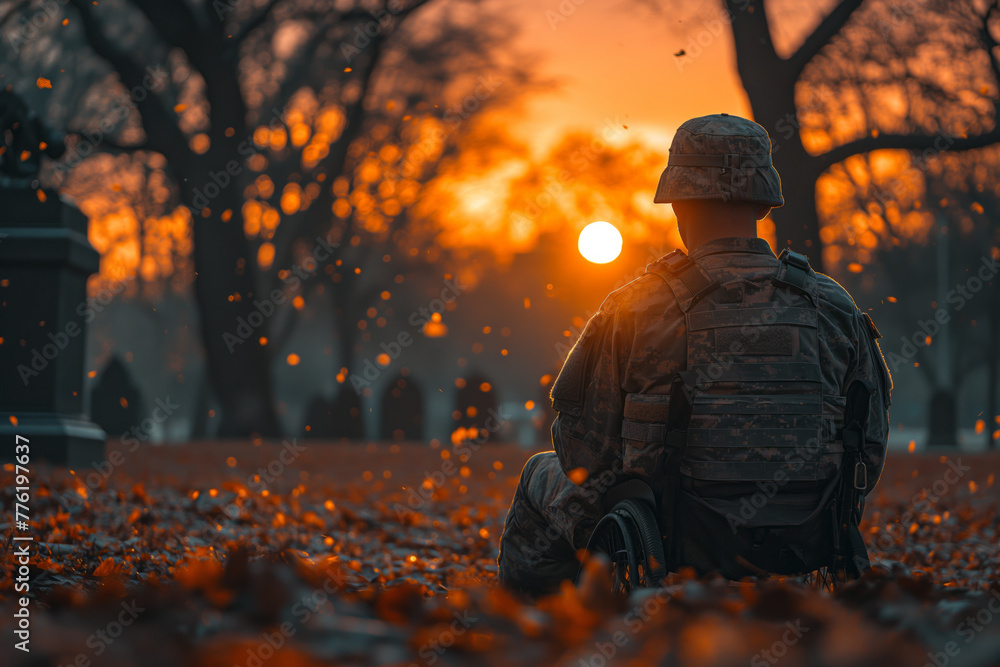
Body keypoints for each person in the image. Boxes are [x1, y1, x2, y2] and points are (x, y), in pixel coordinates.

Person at [497, 113, 892, 597]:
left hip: (663, 539)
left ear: (679, 203)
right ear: (764, 205)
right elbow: (867, 451)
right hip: (804, 537)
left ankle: (536, 633)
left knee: (541, 471)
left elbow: (584, 456)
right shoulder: (834, 306)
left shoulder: (635, 307)